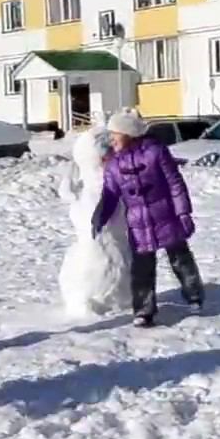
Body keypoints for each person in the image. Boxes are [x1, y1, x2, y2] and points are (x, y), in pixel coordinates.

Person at [92, 108, 204, 327]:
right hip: (137, 223)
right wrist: (99, 216)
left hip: (166, 215)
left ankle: (194, 296)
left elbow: (175, 183)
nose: (112, 139)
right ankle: (143, 311)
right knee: (142, 268)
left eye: (115, 134)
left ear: (128, 133)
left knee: (180, 258)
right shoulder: (114, 164)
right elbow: (110, 194)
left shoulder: (156, 152)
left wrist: (183, 213)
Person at [58, 123, 133, 318]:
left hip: (109, 249)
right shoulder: (91, 186)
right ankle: (88, 301)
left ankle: (106, 300)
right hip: (90, 252)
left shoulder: (111, 185)